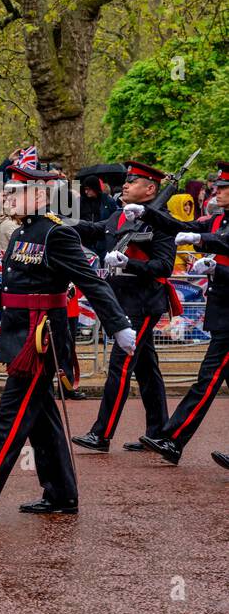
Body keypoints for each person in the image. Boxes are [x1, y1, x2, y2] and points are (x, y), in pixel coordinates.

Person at [0, 165, 134, 517]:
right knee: (43, 419)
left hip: (40, 337)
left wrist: (118, 324)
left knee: (11, 413)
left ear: (39, 195)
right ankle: (61, 493)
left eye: (15, 193)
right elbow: (23, 280)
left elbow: (90, 282)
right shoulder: (21, 233)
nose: (6, 198)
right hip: (19, 330)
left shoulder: (56, 234)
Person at [71, 160, 178, 453]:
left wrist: (129, 263)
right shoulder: (121, 215)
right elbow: (94, 229)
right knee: (146, 369)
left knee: (121, 365)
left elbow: (164, 266)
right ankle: (158, 432)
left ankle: (101, 433)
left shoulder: (161, 221)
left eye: (133, 182)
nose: (125, 185)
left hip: (143, 302)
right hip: (122, 299)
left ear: (151, 189)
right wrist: (60, 223)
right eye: (127, 181)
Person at [136, 163, 229, 465]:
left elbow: (217, 242)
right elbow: (180, 227)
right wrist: (147, 213)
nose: (218, 191)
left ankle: (173, 439)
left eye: (225, 188)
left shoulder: (218, 229)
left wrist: (213, 261)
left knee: (207, 379)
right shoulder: (218, 221)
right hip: (222, 310)